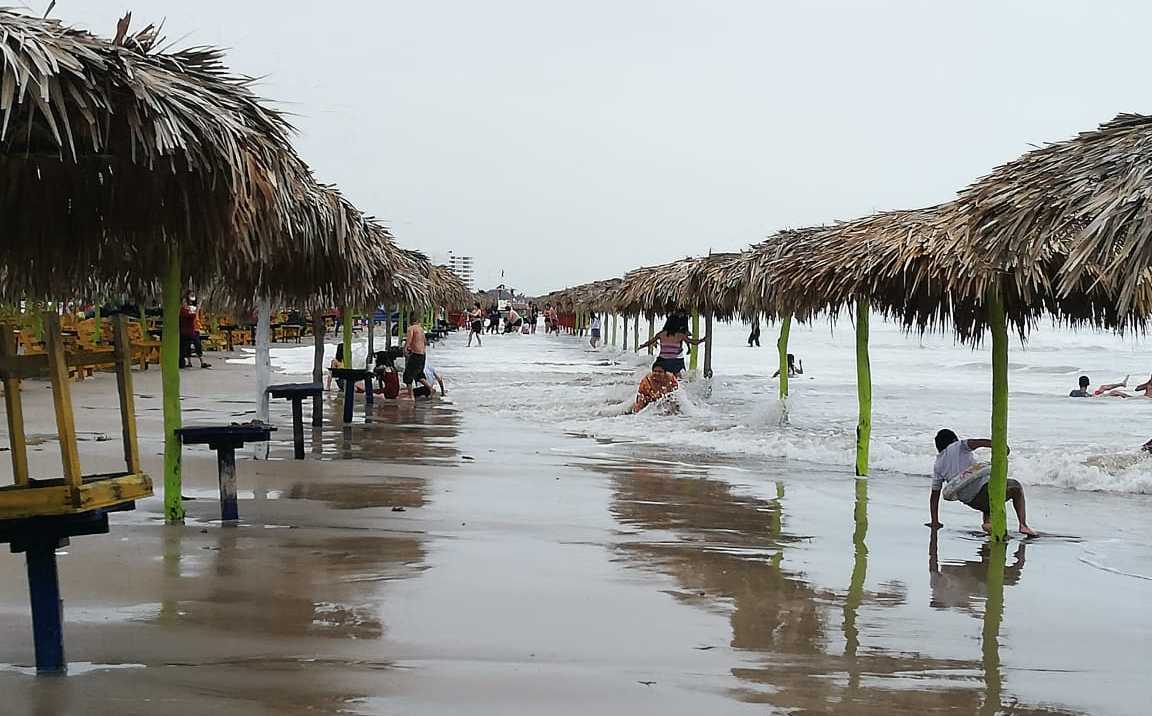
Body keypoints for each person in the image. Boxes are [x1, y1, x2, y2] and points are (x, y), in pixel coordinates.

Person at [928, 429, 1036, 536]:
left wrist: (935, 521)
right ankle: (1023, 525)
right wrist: (1000, 446)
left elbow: (934, 496)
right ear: (954, 439)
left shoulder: (938, 464)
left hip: (972, 501)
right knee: (1016, 487)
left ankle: (988, 524)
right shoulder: (959, 445)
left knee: (987, 504)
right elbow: (979, 442)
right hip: (983, 491)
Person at [636, 315, 706, 378]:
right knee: (679, 379)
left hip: (661, 361)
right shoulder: (680, 335)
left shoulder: (661, 334)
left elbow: (650, 342)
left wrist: (642, 346)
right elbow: (693, 342)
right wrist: (702, 340)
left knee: (657, 375)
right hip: (674, 362)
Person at [178, 291, 211, 369]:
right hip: (187, 331)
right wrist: (197, 308)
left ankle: (198, 362)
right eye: (184, 302)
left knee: (194, 345)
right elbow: (192, 316)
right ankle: (193, 362)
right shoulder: (183, 310)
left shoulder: (187, 309)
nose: (186, 303)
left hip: (190, 331)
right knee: (191, 346)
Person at [403, 311, 428, 399]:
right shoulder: (420, 329)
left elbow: (408, 341)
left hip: (416, 354)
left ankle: (411, 396)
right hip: (423, 354)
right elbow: (425, 342)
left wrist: (405, 350)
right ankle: (430, 388)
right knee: (419, 374)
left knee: (407, 376)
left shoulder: (411, 328)